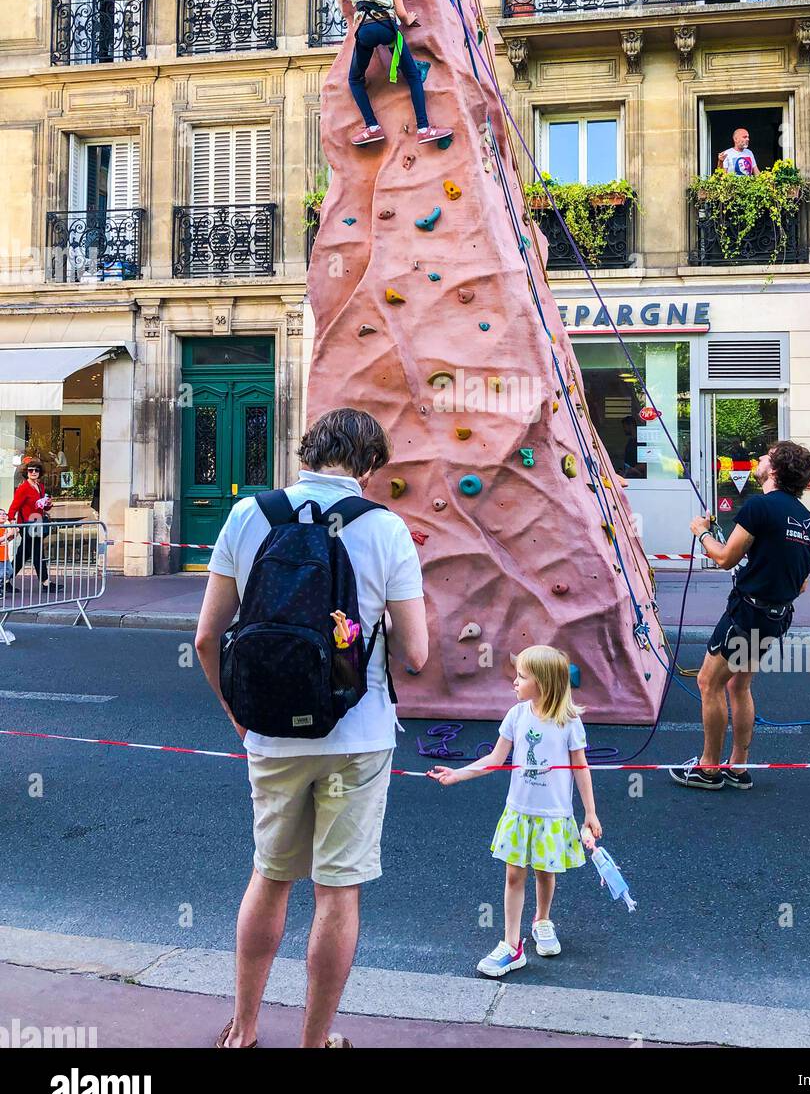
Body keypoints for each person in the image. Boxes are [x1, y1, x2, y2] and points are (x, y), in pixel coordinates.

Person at [194, 408, 429, 1048]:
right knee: (337, 894)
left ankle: (243, 1031)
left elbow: (207, 637)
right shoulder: (387, 529)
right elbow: (417, 654)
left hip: (270, 733)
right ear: (371, 465)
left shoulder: (250, 515)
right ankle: (315, 1041)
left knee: (269, 879)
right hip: (358, 736)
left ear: (307, 450)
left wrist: (239, 717)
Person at [430, 645, 602, 977]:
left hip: (553, 814)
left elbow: (581, 768)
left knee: (545, 871)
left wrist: (590, 813)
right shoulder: (516, 715)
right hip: (519, 812)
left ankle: (542, 920)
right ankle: (512, 945)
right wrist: (458, 774)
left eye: (522, 677)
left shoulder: (569, 722)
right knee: (513, 874)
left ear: (545, 683)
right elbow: (495, 760)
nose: (515, 682)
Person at [669, 440, 810, 792]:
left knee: (709, 682)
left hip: (747, 614)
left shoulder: (759, 507)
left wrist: (702, 532)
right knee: (739, 684)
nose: (759, 460)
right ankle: (738, 767)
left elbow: (723, 558)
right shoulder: (809, 522)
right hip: (776, 617)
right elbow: (801, 585)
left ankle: (708, 768)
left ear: (776, 470)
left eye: (765, 457)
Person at [336, 0, 453, 148]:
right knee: (413, 76)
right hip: (386, 28)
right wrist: (409, 19)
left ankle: (372, 127)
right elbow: (400, 11)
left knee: (355, 79)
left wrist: (348, 17)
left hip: (364, 30)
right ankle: (424, 129)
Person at [7, 459, 52, 591]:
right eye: (30, 470)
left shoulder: (40, 486)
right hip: (27, 525)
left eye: (36, 470)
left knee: (24, 554)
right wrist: (12, 522)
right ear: (26, 472)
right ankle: (45, 582)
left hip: (37, 522)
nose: (33, 472)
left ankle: (4, 580)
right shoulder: (23, 488)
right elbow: (13, 507)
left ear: (40, 472)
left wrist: (48, 503)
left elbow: (43, 507)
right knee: (37, 552)